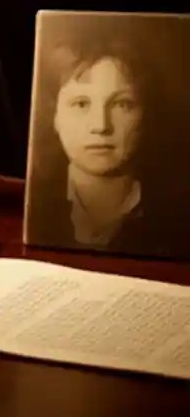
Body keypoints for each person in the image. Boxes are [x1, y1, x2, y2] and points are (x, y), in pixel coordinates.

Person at [26, 32, 176, 256]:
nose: (101, 126)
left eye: (122, 104)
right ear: (54, 115)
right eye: (81, 104)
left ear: (146, 114)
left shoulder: (175, 217)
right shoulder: (35, 210)